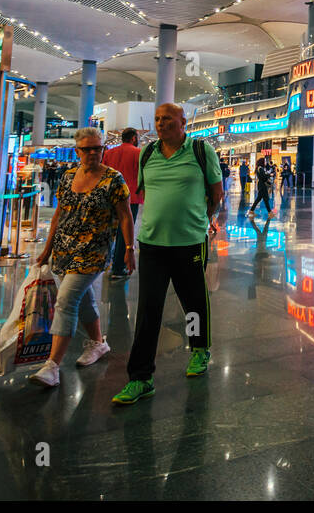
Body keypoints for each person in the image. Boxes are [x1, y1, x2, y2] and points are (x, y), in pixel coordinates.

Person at [112, 103, 223, 406]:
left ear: (183, 122)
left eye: (168, 119)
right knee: (148, 309)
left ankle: (199, 349)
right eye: (158, 120)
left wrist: (199, 221)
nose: (161, 124)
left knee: (193, 301)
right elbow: (146, 194)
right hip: (152, 244)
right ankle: (140, 378)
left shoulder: (201, 151)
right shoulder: (147, 154)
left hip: (189, 242)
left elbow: (216, 194)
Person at [30, 127, 135, 388]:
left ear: (103, 149)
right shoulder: (67, 177)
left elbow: (125, 215)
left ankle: (52, 366)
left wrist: (130, 248)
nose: (92, 153)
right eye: (86, 149)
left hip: (93, 251)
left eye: (97, 148)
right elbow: (59, 214)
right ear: (77, 151)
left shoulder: (113, 179)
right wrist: (47, 249)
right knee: (83, 298)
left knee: (65, 301)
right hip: (64, 250)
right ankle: (98, 344)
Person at [102, 127, 143, 281]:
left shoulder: (108, 153)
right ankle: (118, 267)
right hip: (131, 197)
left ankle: (109, 262)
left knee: (111, 231)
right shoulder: (138, 153)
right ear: (133, 138)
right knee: (125, 233)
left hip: (110, 197)